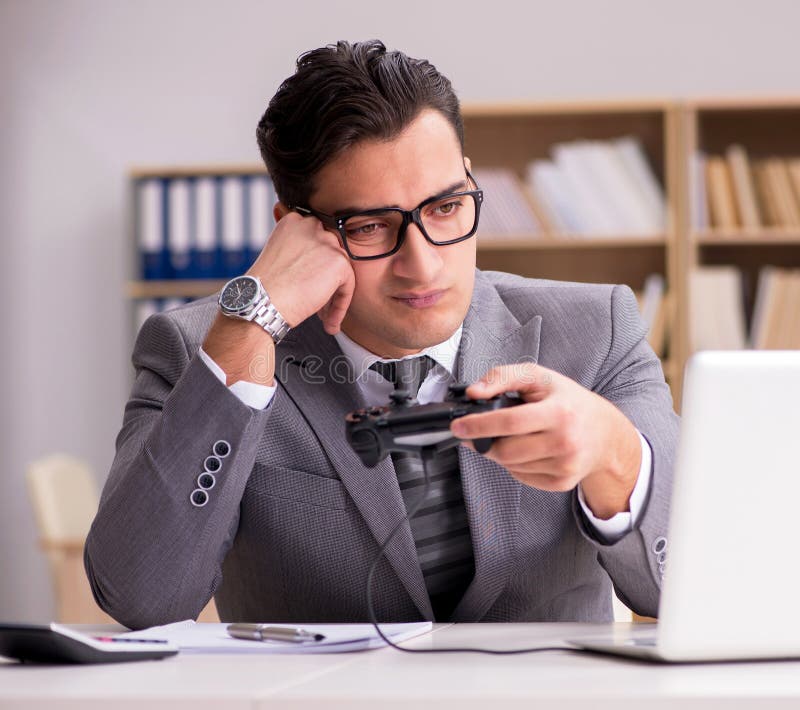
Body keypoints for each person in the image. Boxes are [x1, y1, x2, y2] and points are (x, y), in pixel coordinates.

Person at [85, 40, 678, 630]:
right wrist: (249, 324)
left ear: (471, 183)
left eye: (446, 208)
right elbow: (142, 599)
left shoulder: (598, 331)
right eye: (371, 227)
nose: (422, 266)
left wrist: (616, 455)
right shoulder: (199, 352)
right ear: (293, 231)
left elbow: (687, 589)